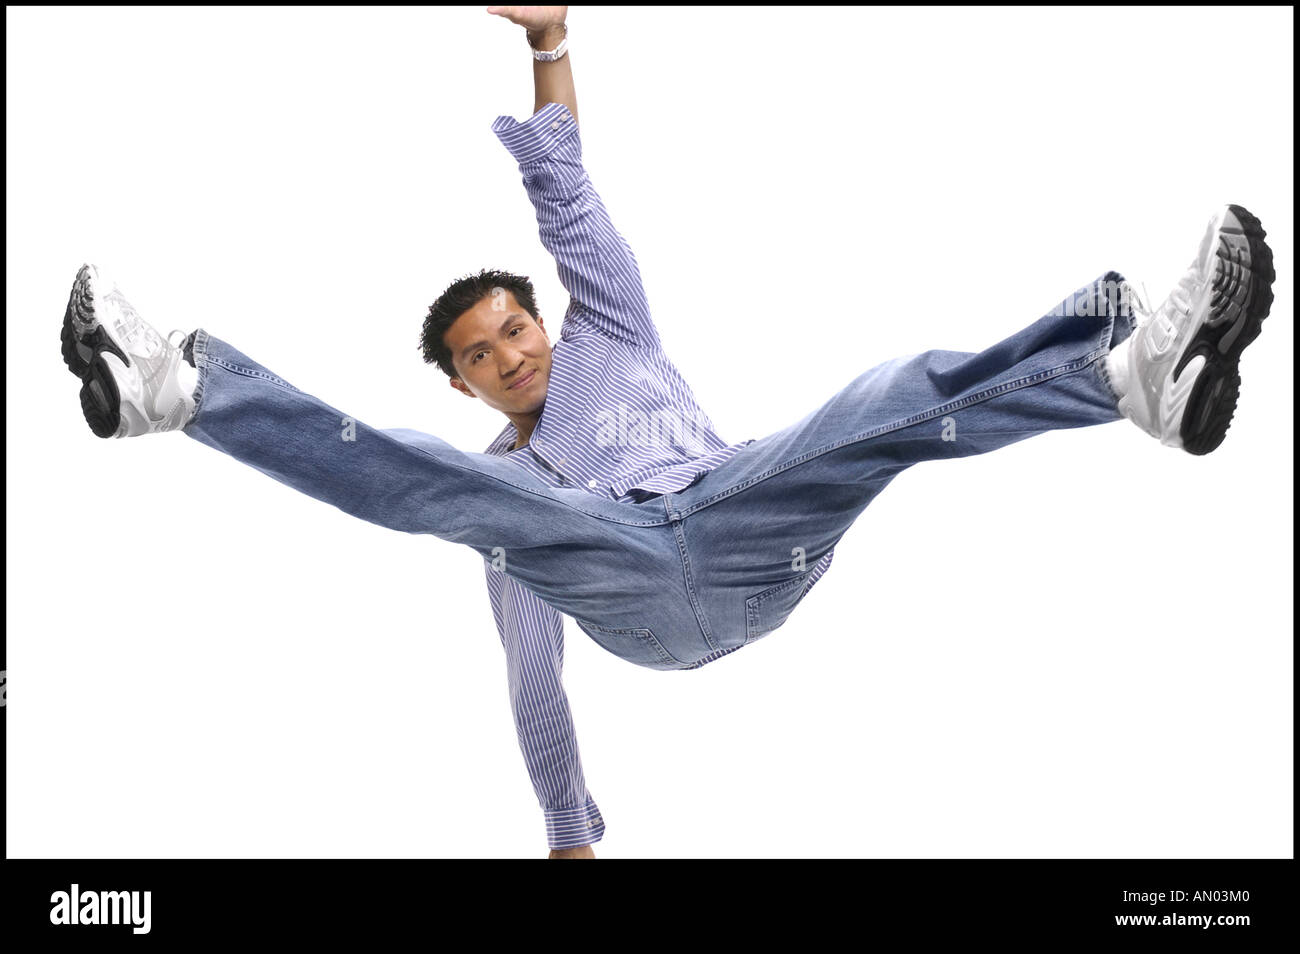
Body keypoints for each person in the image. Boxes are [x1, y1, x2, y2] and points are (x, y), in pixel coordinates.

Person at [58, 7, 1276, 859]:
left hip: (746, 527)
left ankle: (1133, 378)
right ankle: (176, 392)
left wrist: (552, 45)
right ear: (464, 385)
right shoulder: (504, 484)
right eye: (480, 357)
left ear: (543, 317)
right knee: (455, 499)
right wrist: (567, 830)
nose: (510, 355)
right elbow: (531, 665)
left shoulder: (613, 334)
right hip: (629, 584)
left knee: (880, 402)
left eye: (513, 329)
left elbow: (569, 195)